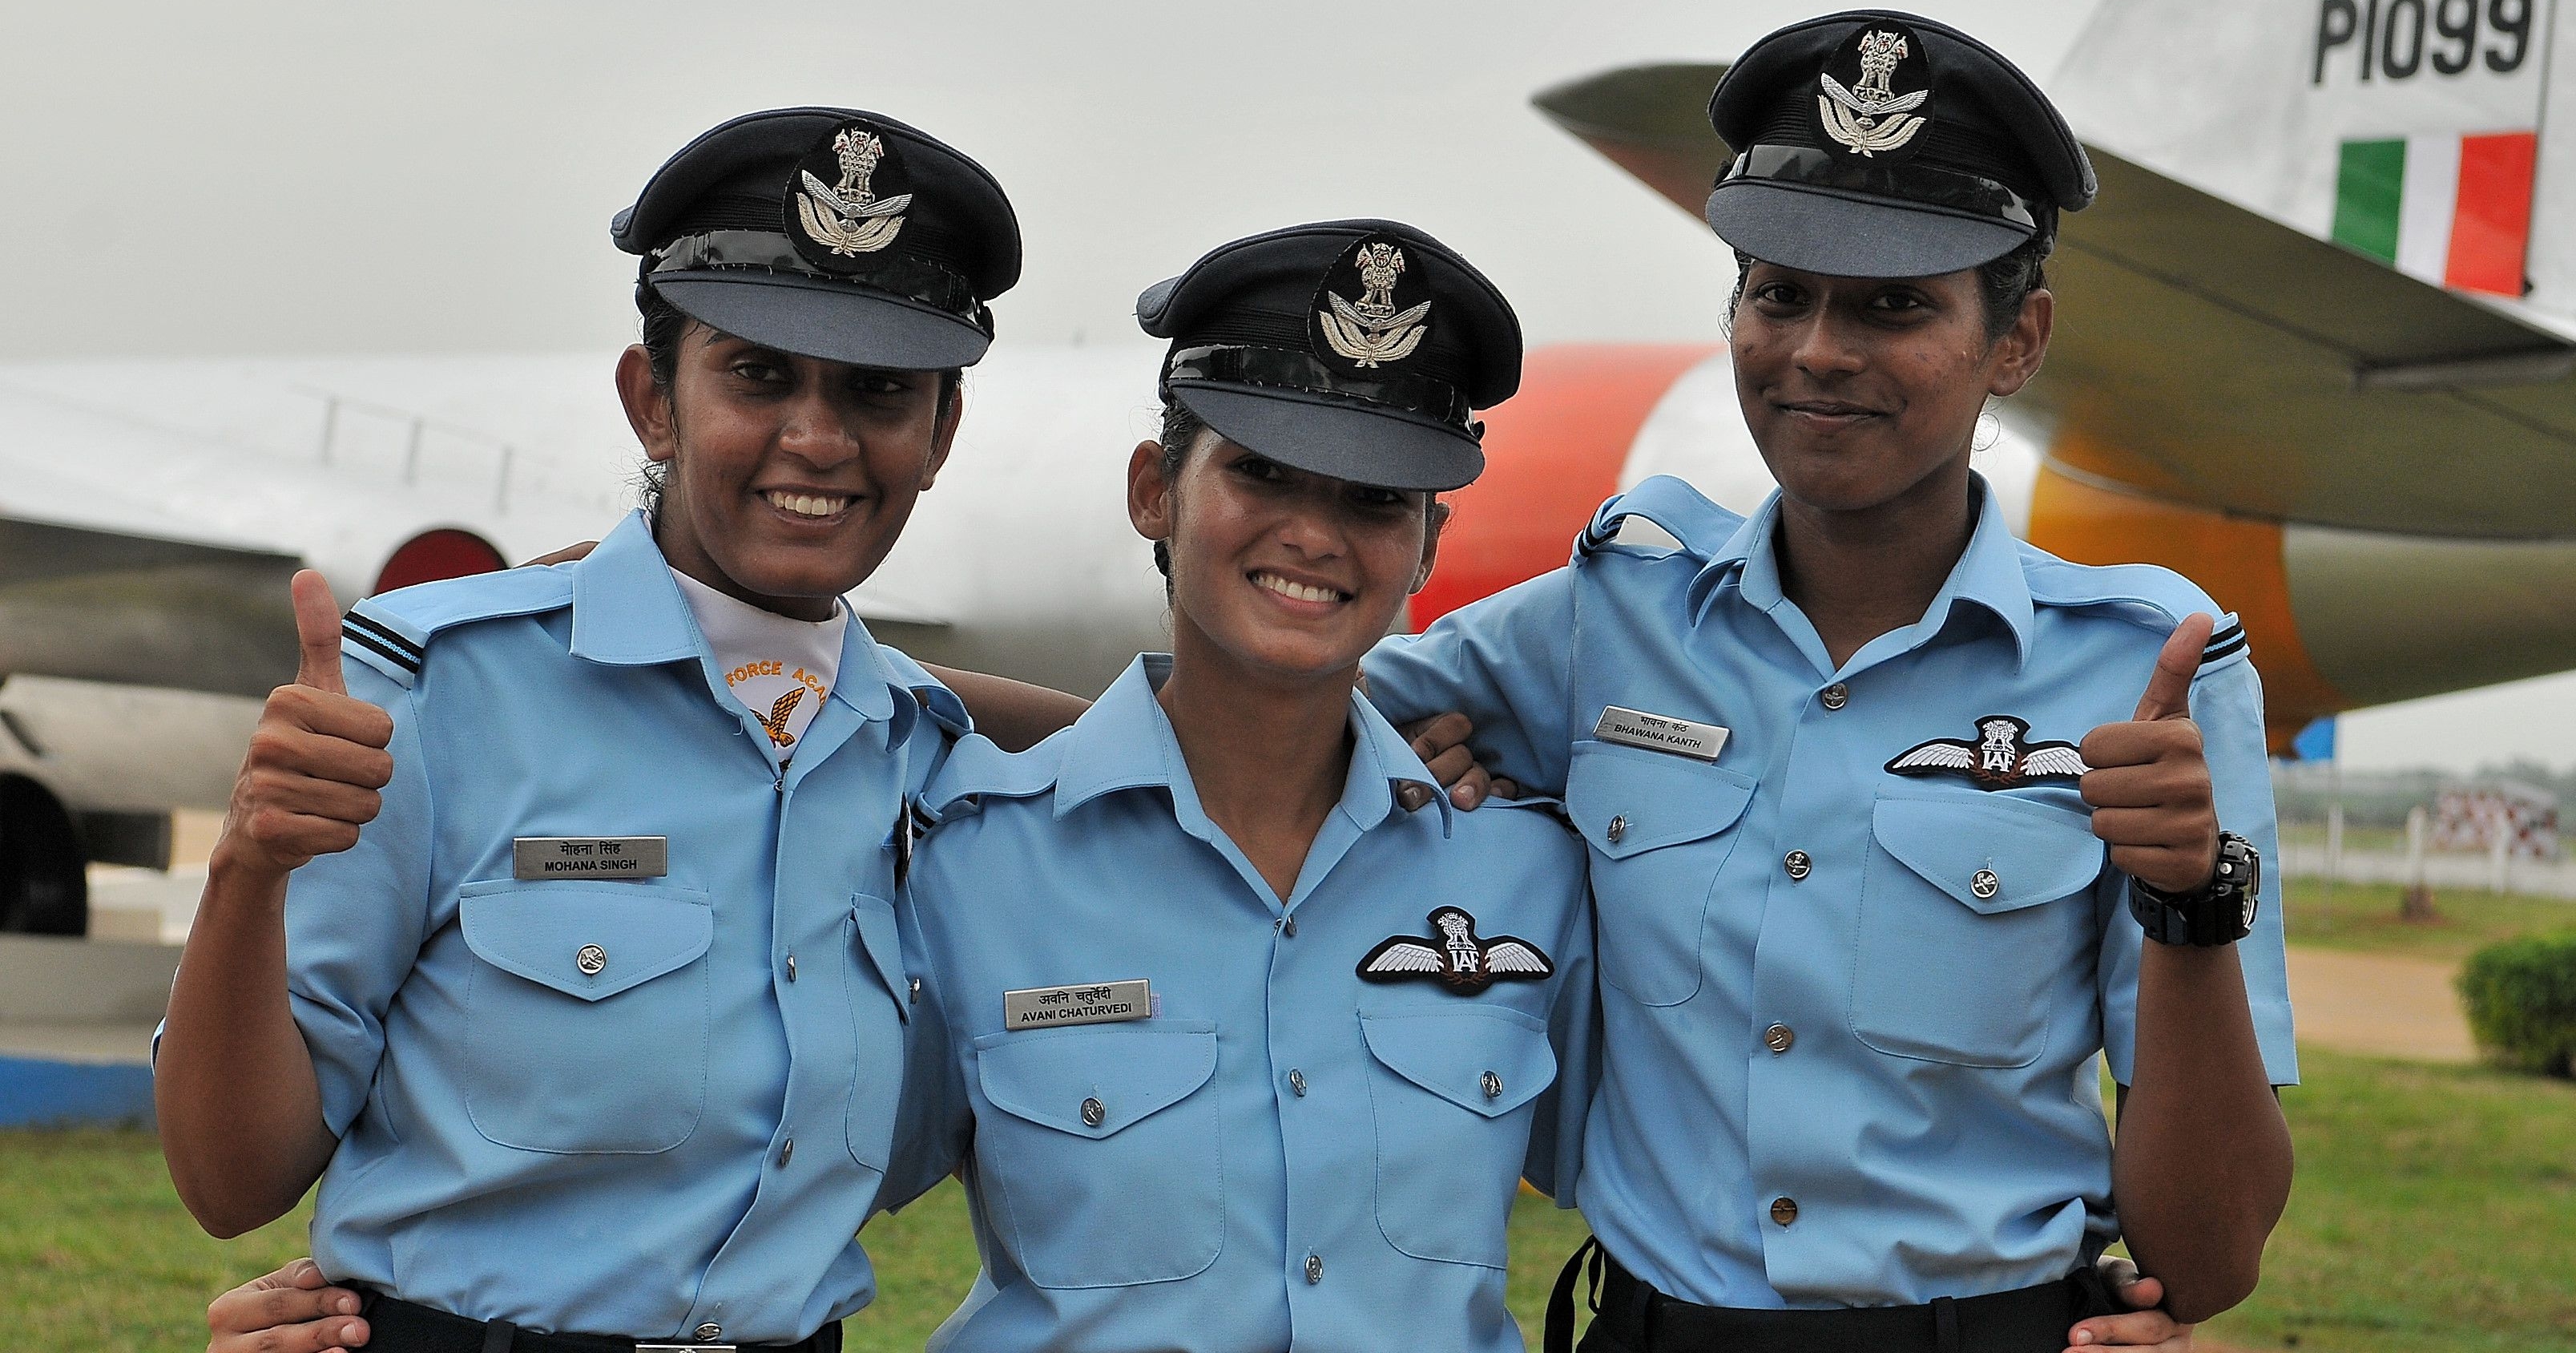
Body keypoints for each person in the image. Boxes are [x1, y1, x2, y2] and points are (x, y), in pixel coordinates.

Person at [1361, 13, 2297, 1353]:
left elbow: (2207, 1261)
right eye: (1780, 293)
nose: (1818, 351)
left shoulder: (2145, 674)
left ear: (2018, 341)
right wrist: (1403, 777)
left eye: (1894, 305)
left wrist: (2190, 899)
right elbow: (1254, 730)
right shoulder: (1613, 616)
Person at [154, 106, 1028, 1352]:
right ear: (652, 402)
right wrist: (247, 863)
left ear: (940, 435)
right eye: (758, 374)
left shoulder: (927, 760)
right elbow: (229, 1179)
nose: (819, 438)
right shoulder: (438, 693)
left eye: (880, 391)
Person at [901, 220, 1590, 1353]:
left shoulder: (1529, 875)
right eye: (1261, 470)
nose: (1313, 533)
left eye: (1376, 497)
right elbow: (788, 1195)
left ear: (1428, 544)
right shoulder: (969, 867)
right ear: (1153, 492)